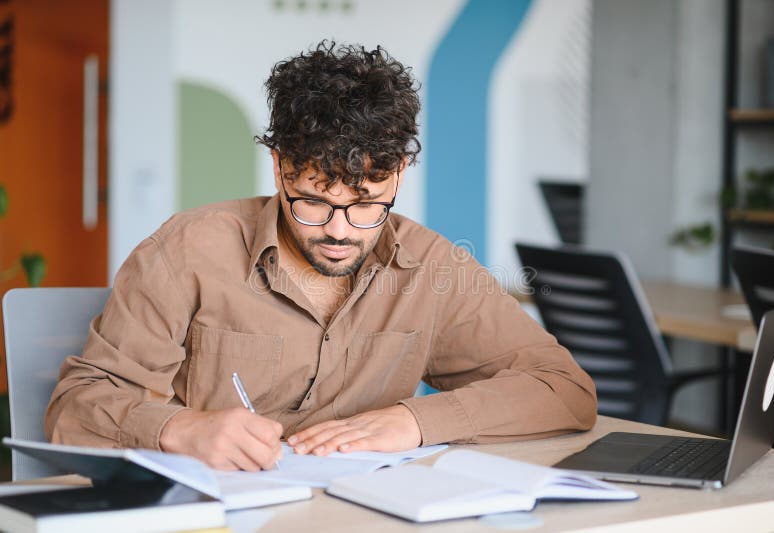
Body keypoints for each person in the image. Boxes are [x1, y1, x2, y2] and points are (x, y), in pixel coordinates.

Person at [45, 41, 596, 472]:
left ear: (399, 174)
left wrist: (413, 421)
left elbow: (564, 388)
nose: (338, 231)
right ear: (280, 164)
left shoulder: (430, 267)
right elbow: (76, 407)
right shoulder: (187, 251)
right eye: (312, 201)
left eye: (365, 205)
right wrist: (181, 430)